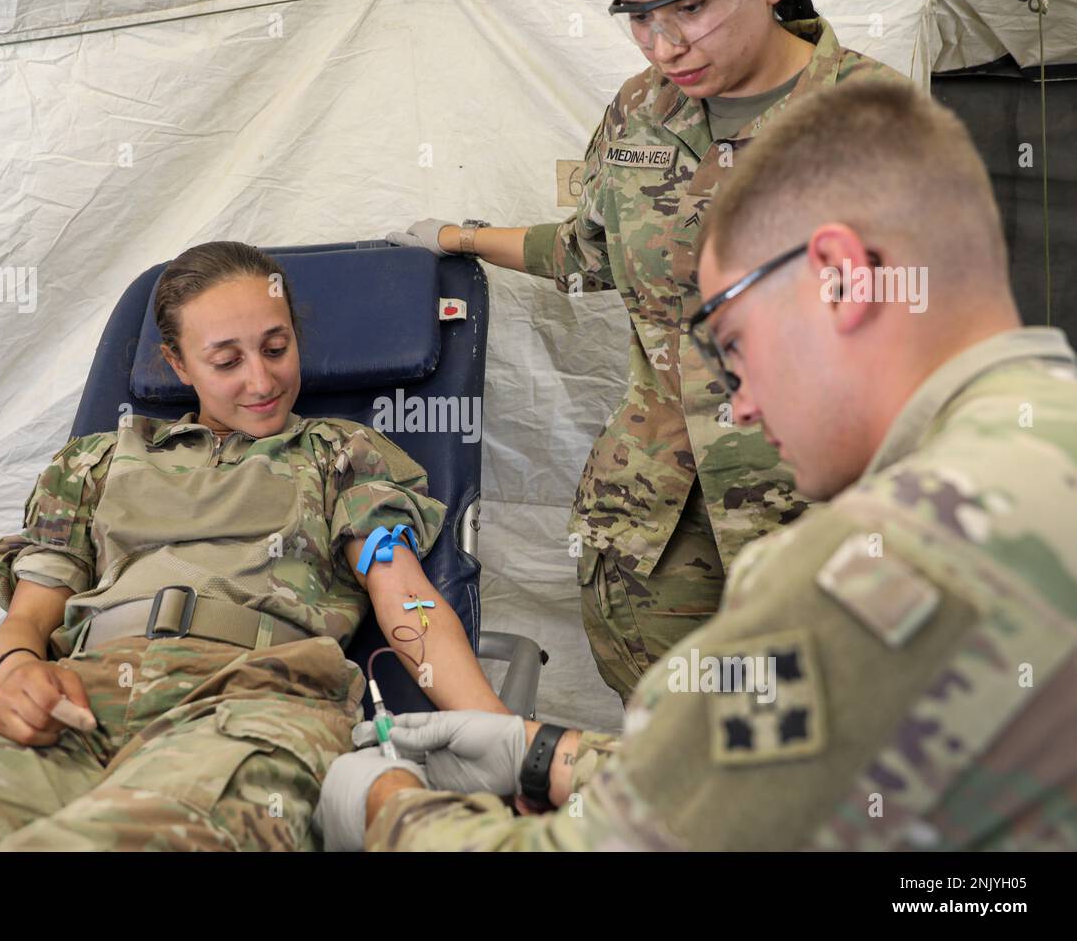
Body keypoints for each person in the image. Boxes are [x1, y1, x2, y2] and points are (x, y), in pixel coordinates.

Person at [318, 79, 1077, 851]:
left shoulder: (873, 563)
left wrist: (387, 806)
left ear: (843, 279)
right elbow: (794, 790)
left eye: (730, 346)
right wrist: (551, 755)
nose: (738, 407)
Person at [0, 241, 507, 851]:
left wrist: (506, 750)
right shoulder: (93, 464)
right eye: (226, 361)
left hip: (252, 701)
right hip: (82, 699)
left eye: (277, 348)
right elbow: (28, 621)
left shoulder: (339, 453)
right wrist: (18, 674)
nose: (262, 380)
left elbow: (404, 597)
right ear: (178, 364)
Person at [390, 0, 906, 704]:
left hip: (813, 514)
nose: (664, 47)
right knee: (673, 750)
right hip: (653, 513)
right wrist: (457, 238)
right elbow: (588, 251)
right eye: (639, 19)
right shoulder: (642, 107)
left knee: (822, 753)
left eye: (690, 9)